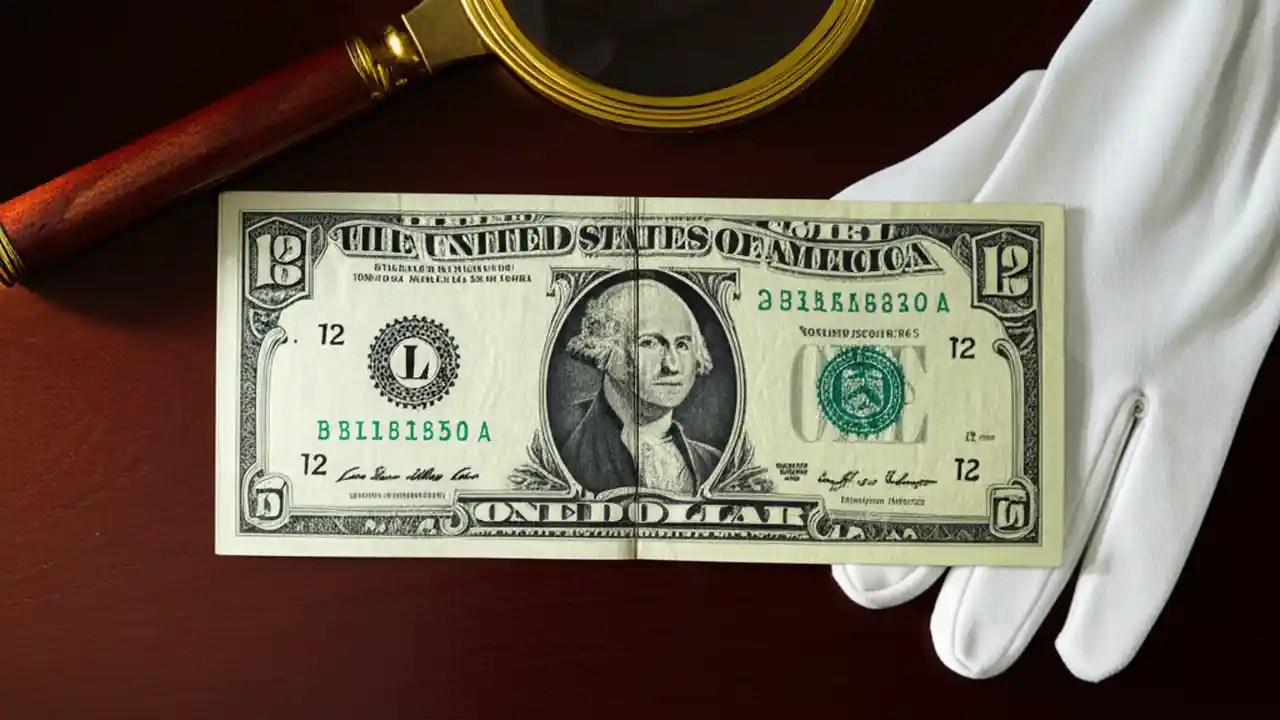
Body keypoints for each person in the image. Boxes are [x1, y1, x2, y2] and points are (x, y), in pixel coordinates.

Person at [558, 277, 722, 495]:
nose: (672, 366)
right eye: (649, 343)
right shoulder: (566, 458)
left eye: (682, 344)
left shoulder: (713, 463)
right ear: (606, 348)